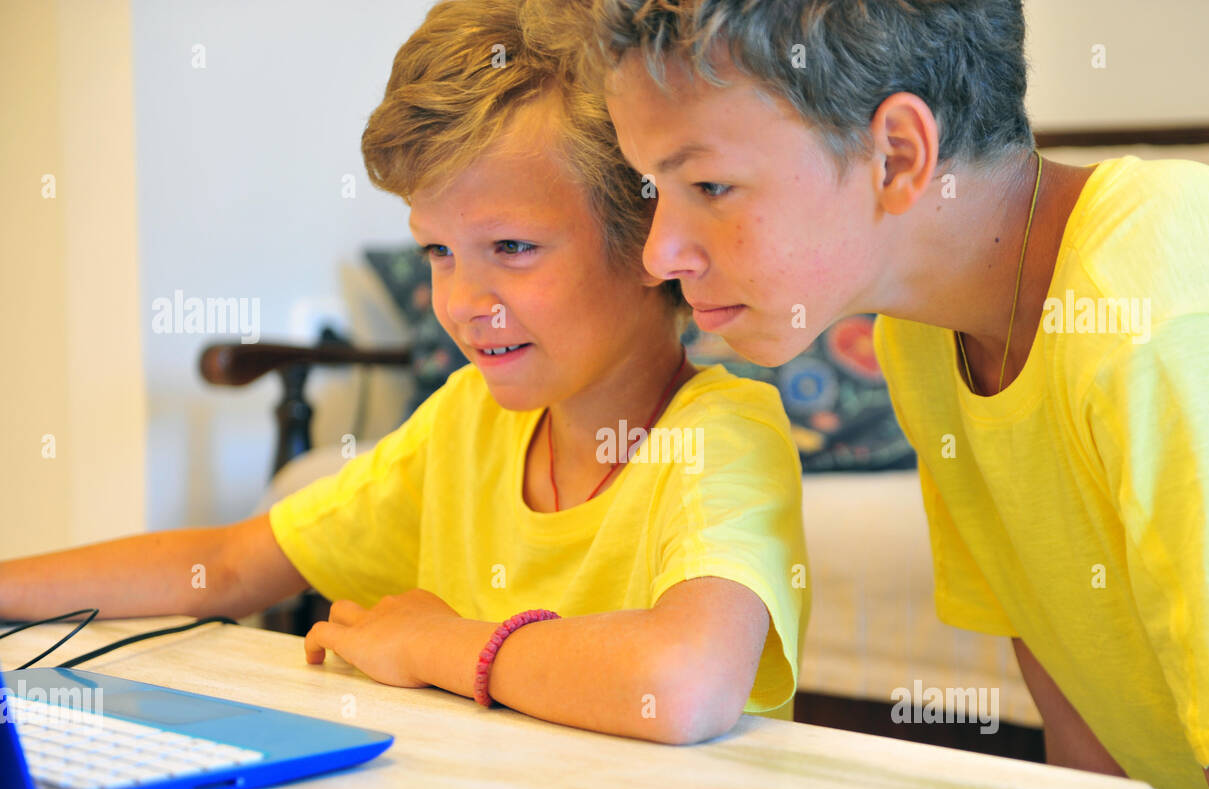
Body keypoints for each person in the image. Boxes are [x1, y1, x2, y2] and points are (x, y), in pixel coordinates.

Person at [588, 0, 1209, 789]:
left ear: (898, 155)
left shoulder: (1157, 317)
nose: (660, 253)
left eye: (711, 188)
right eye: (656, 190)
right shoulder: (922, 335)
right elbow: (1073, 688)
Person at [0, 0, 809, 745]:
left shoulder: (720, 437)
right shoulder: (470, 423)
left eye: (513, 248)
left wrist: (442, 643)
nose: (459, 301)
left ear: (648, 238)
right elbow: (235, 563)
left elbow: (682, 682)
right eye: (439, 251)